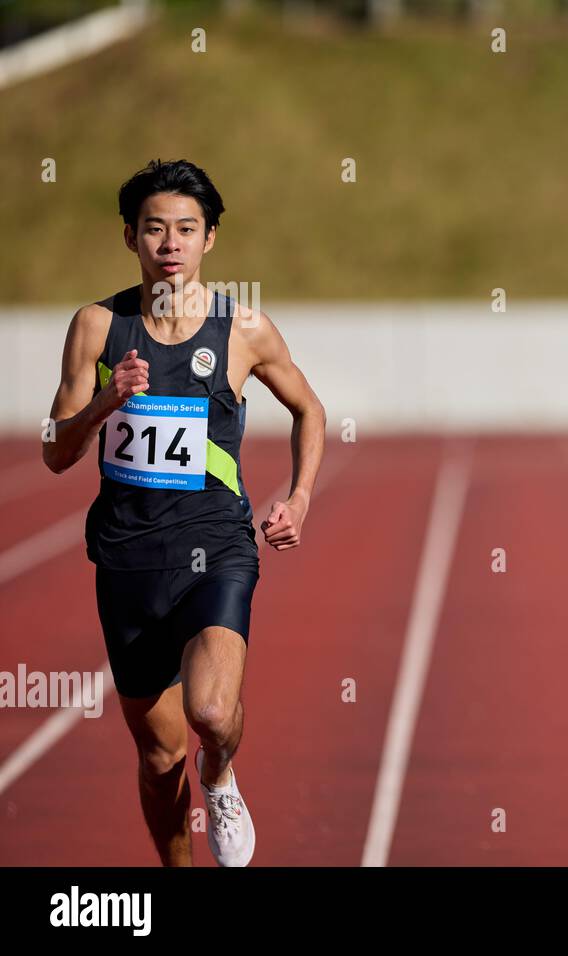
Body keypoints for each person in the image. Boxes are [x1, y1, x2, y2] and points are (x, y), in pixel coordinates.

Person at [41, 159, 327, 866]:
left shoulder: (243, 328)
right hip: (127, 558)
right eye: (154, 228)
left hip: (216, 546)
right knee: (160, 754)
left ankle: (222, 772)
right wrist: (106, 402)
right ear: (131, 237)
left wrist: (299, 495)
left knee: (208, 715)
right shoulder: (97, 327)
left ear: (209, 241)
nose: (170, 242)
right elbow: (53, 450)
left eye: (186, 229)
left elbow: (309, 409)